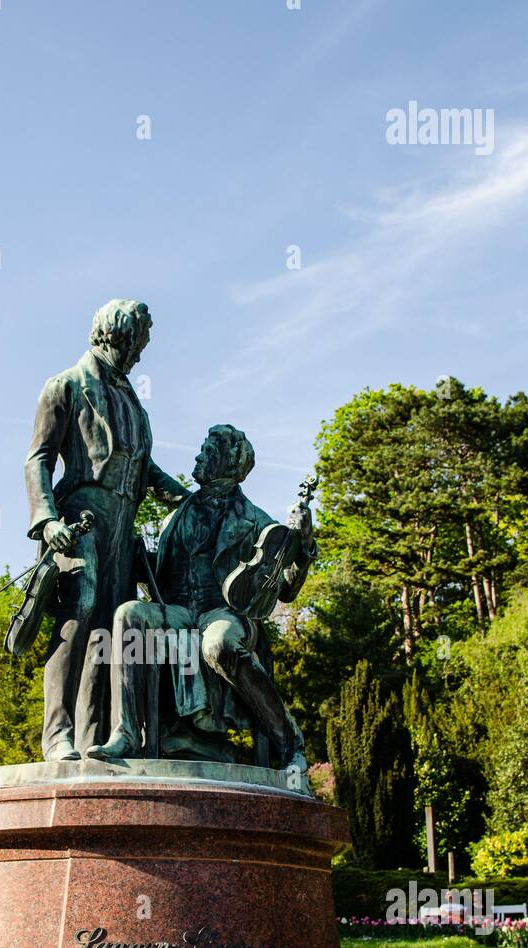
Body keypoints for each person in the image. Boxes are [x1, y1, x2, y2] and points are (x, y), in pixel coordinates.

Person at [87, 424, 315, 779]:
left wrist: (304, 546)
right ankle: (126, 732)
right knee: (130, 614)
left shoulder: (254, 518)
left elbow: (285, 589)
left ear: (228, 463)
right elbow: (160, 572)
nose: (198, 456)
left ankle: (289, 742)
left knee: (218, 644)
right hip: (179, 610)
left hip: (223, 612)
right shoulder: (177, 514)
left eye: (207, 451)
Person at [22, 299, 187, 759]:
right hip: (81, 519)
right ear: (119, 336)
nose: (140, 355)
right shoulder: (67, 386)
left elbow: (144, 467)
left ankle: (93, 737)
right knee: (78, 615)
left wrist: (189, 498)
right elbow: (38, 458)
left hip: (122, 524)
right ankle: (56, 733)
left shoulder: (133, 401)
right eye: (139, 344)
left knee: (110, 632)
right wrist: (47, 518)